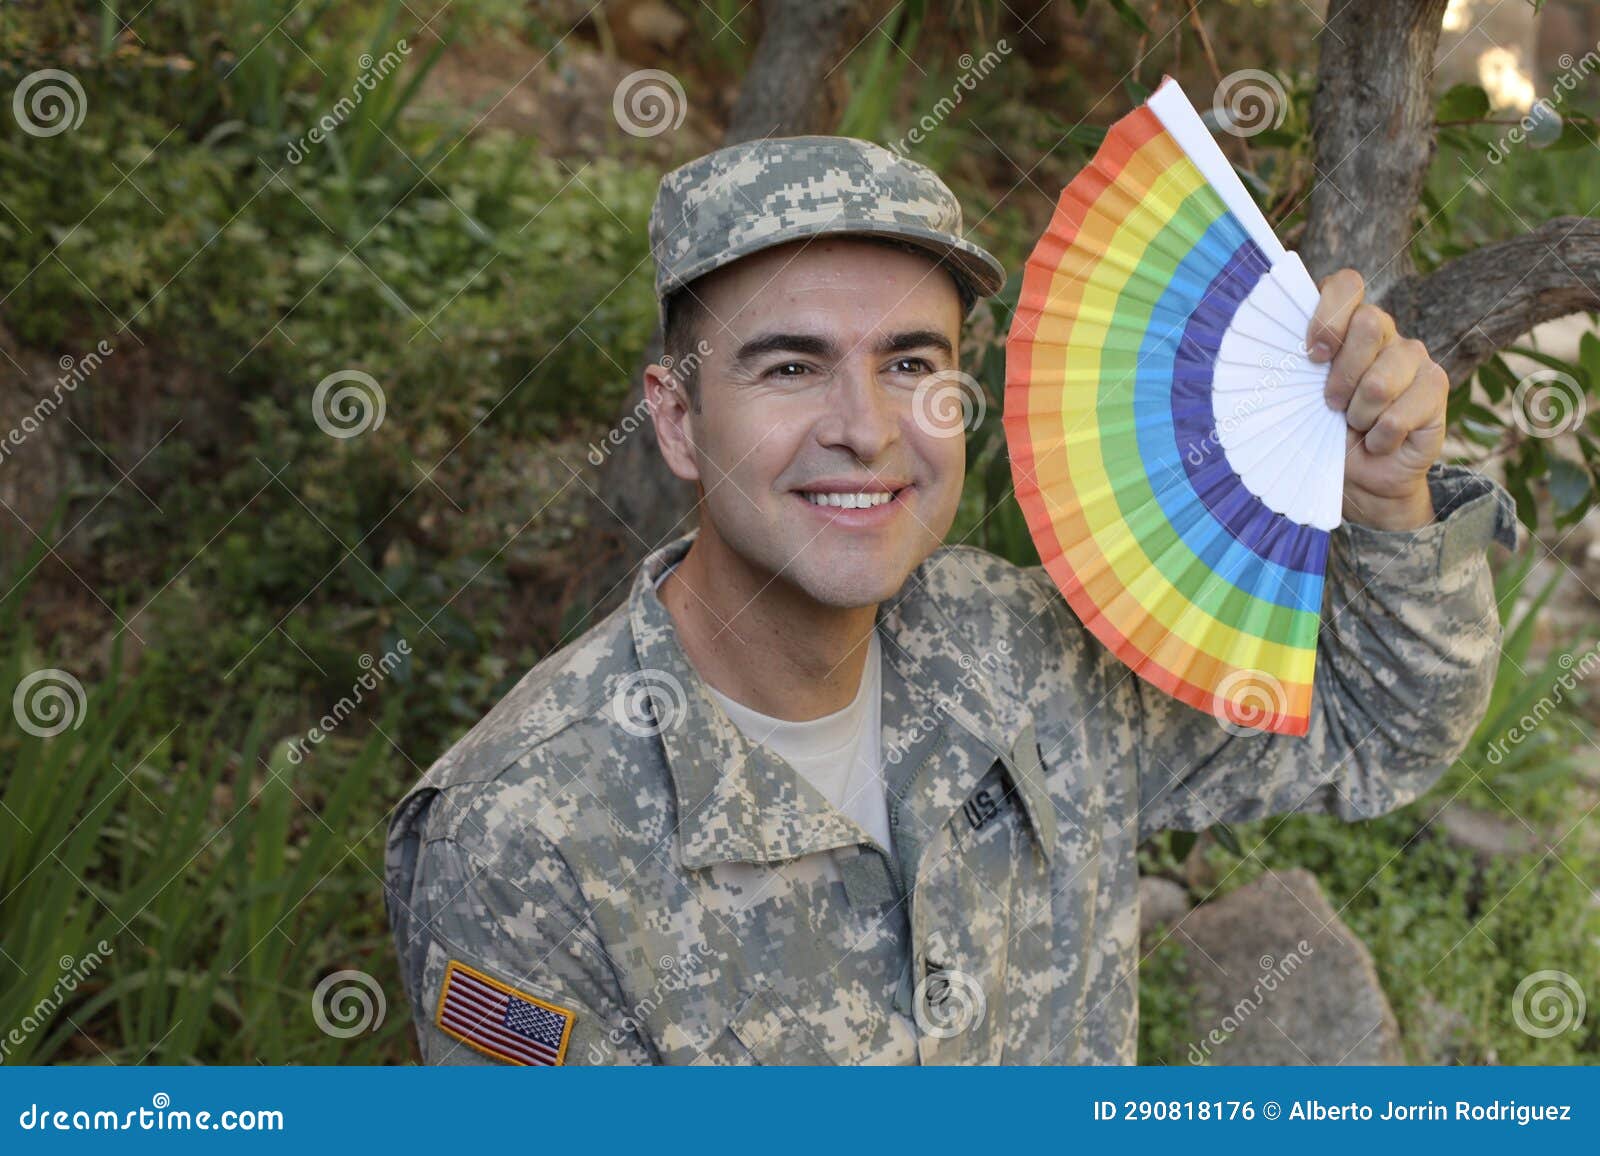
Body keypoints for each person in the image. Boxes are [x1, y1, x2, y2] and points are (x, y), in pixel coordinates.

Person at [384, 135, 1519, 1065]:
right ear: (676, 418)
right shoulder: (521, 838)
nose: (865, 428)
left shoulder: (1036, 657)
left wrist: (1383, 499)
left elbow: (1379, 730)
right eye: (789, 366)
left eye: (912, 364)